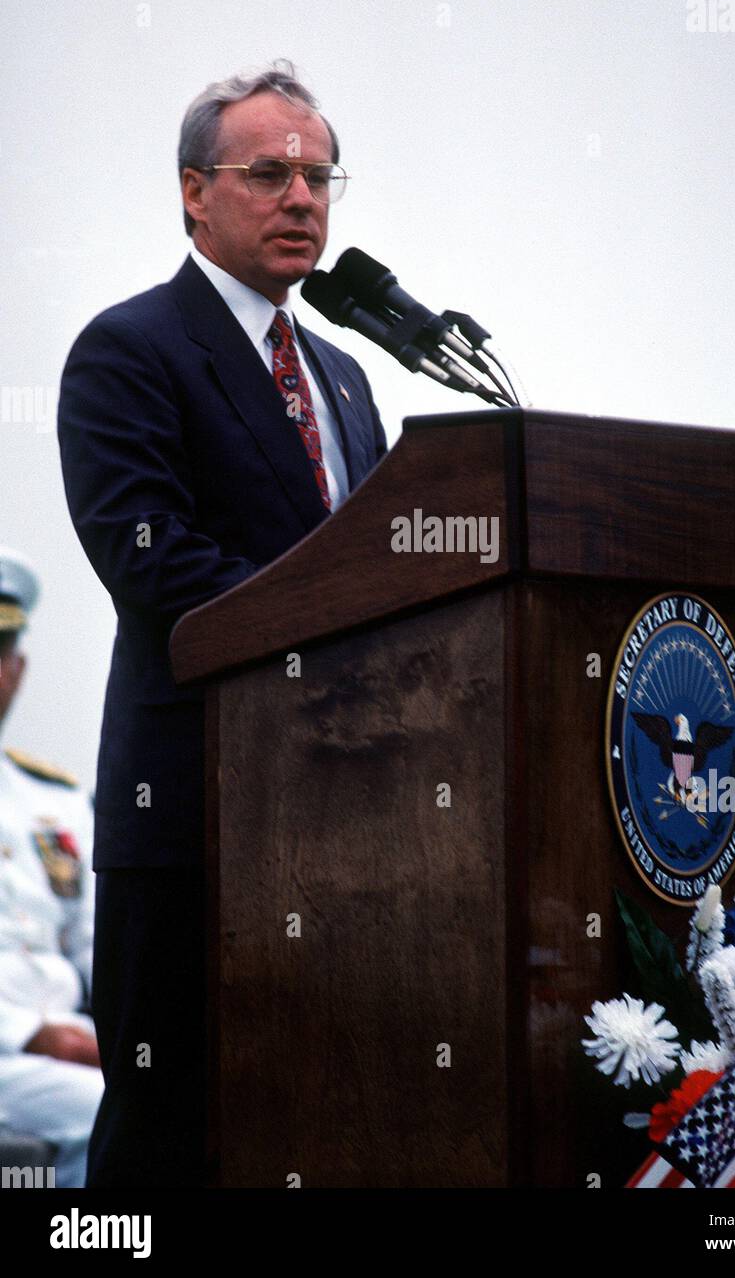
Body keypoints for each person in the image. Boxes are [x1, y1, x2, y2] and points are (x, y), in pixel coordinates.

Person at [57, 61, 387, 1187]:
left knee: (313, 1115)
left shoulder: (343, 376)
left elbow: (388, 562)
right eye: (268, 174)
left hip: (348, 820)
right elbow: (153, 562)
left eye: (317, 176)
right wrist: (342, 626)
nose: (301, 198)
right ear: (194, 191)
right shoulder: (130, 349)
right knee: (166, 1131)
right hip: (194, 807)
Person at [0, 549, 103, 1187]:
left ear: (18, 669)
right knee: (110, 1113)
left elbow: (102, 947)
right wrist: (35, 1034)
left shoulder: (56, 802)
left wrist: (136, 1034)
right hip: (17, 1050)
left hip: (70, 1045)